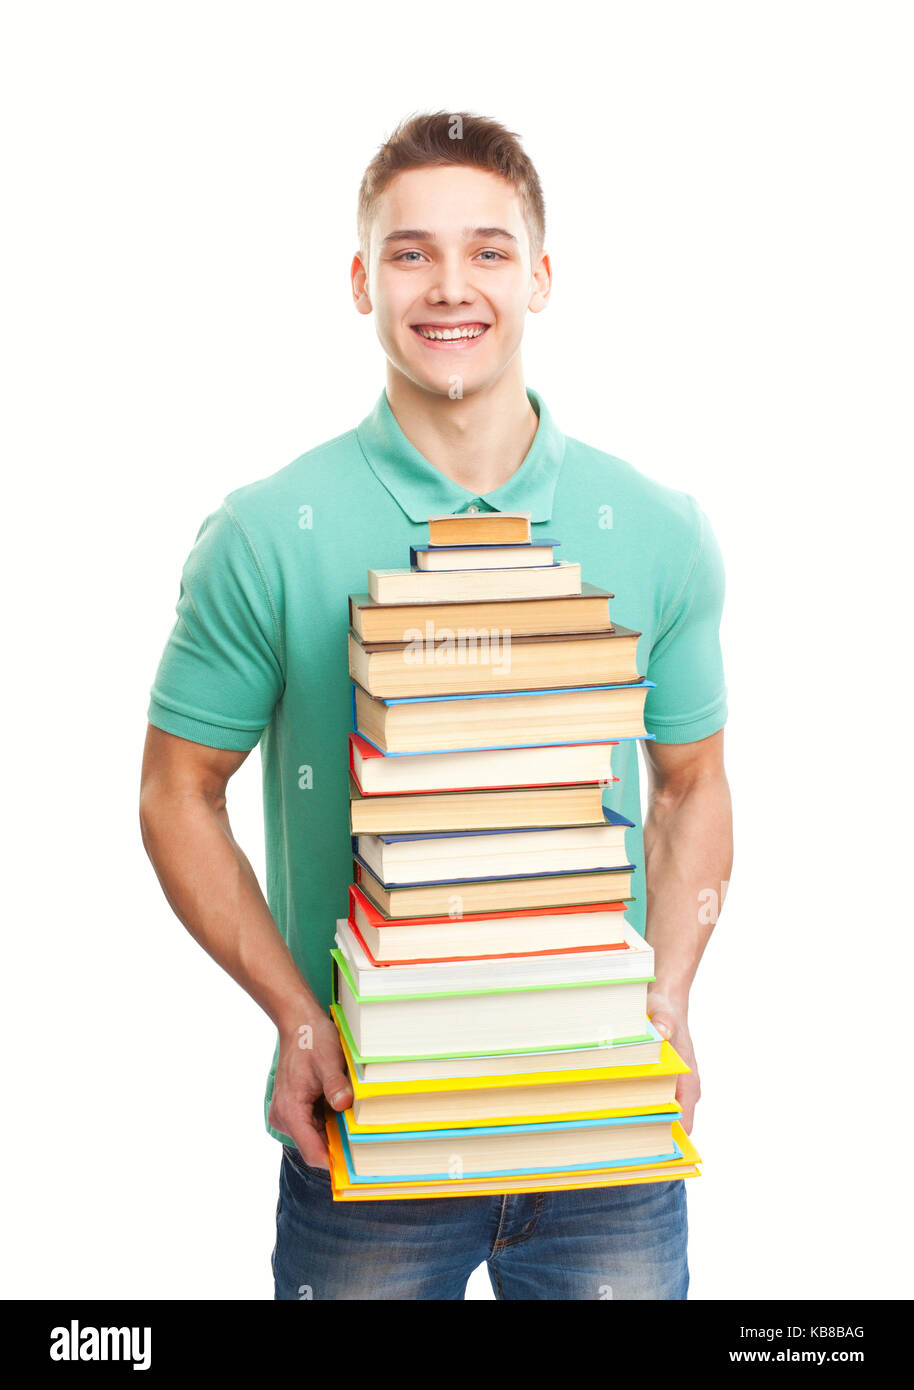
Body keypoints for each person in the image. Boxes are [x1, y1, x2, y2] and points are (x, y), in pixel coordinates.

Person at [139, 110, 733, 1301]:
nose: (449, 286)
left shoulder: (658, 526)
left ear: (541, 277)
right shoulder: (267, 531)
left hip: (603, 1126)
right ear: (361, 279)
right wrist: (297, 1017)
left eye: (488, 251)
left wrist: (665, 992)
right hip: (369, 1125)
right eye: (410, 253)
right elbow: (176, 793)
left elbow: (689, 784)